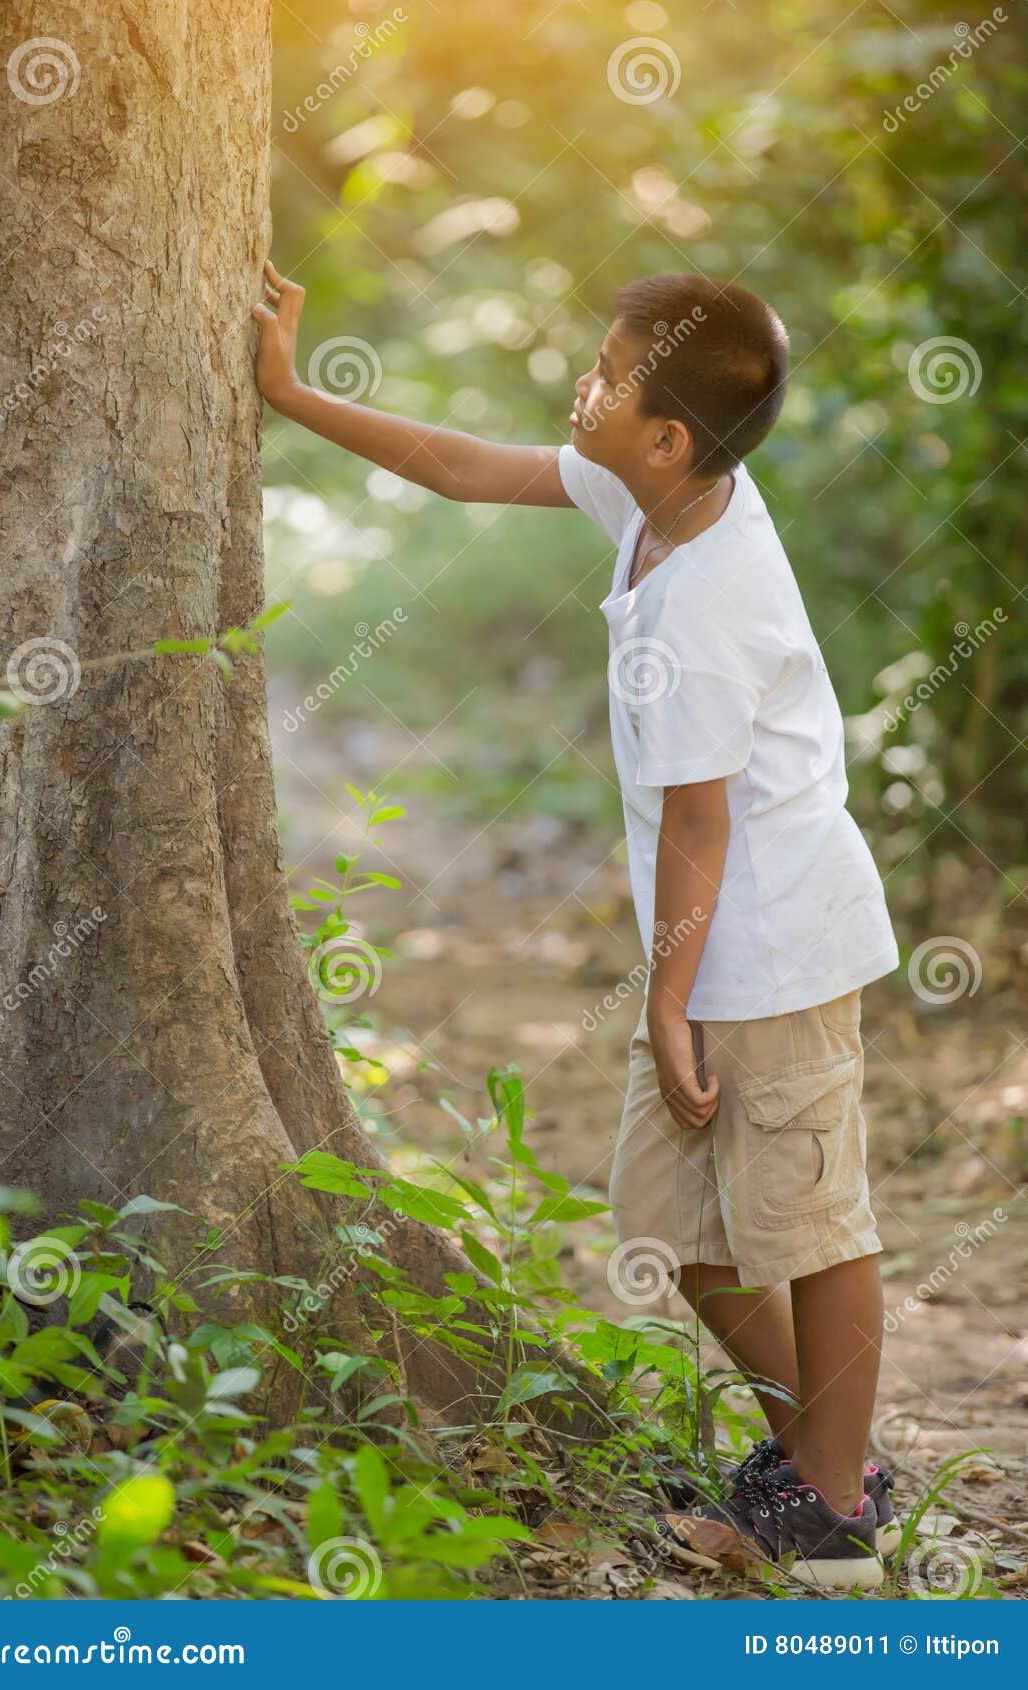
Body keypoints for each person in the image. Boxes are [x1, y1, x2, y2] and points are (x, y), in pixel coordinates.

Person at [252, 260, 899, 1588]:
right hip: (714, 943)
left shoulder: (705, 603)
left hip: (771, 948)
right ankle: (821, 1464)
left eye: (606, 375)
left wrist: (667, 998)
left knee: (809, 1220)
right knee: (665, 1216)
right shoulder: (662, 489)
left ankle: (835, 1513)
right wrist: (290, 394)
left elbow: (705, 826)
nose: (581, 383)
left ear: (666, 436)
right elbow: (472, 468)